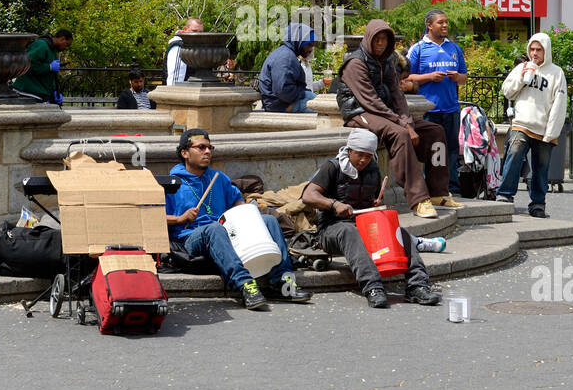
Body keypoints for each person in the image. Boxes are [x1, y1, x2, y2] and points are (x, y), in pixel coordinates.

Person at [165, 127, 312, 310]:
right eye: (201, 147)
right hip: (190, 239)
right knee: (214, 229)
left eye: (210, 147)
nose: (208, 152)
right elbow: (154, 217)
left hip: (224, 232)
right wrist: (180, 219)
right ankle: (245, 285)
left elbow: (237, 201)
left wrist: (245, 213)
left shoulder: (218, 178)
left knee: (269, 221)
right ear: (185, 153)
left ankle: (282, 282)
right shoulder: (172, 182)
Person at [301, 129, 441, 307]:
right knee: (348, 231)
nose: (363, 160)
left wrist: (376, 203)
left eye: (368, 156)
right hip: (332, 230)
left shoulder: (373, 169)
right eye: (359, 154)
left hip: (365, 225)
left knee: (401, 234)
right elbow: (308, 195)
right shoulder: (333, 167)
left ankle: (417, 285)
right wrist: (334, 204)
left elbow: (373, 199)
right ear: (349, 150)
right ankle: (373, 287)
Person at [337, 19, 456, 219]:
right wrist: (404, 126)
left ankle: (438, 192)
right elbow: (370, 101)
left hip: (385, 113)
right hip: (359, 112)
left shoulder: (388, 61)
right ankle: (418, 199)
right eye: (376, 39)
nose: (380, 43)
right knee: (400, 134)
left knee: (435, 131)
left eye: (384, 39)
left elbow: (397, 95)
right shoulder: (355, 63)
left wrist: (407, 121)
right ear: (368, 38)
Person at [496, 32, 567, 218]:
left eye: (539, 49)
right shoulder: (523, 67)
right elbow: (507, 92)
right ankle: (504, 195)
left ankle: (537, 203)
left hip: (543, 128)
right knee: (514, 155)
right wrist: (521, 78)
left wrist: (552, 132)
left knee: (541, 167)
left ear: (546, 51)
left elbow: (559, 104)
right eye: (532, 49)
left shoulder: (557, 73)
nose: (534, 53)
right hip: (521, 123)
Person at [407, 10, 468, 197]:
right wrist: (429, 77)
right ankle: (429, 188)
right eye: (440, 22)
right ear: (429, 25)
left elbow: (464, 77)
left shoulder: (454, 48)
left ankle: (451, 187)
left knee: (451, 150)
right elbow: (406, 77)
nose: (445, 25)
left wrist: (457, 77)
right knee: (430, 151)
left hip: (451, 109)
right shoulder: (418, 49)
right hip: (428, 110)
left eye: (446, 22)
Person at [257, 21, 317, 113]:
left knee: (321, 102)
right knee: (323, 110)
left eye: (312, 45)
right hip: (280, 105)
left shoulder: (287, 54)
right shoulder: (286, 58)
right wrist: (302, 93)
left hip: (280, 102)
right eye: (308, 44)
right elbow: (282, 91)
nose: (310, 49)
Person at [12, 29, 71, 104]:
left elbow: (49, 76)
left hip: (39, 93)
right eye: (67, 44)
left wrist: (54, 91)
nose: (66, 48)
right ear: (62, 39)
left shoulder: (52, 50)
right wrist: (49, 67)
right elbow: (28, 64)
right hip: (27, 92)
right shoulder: (42, 45)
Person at [164, 17, 203, 85]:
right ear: (185, 29)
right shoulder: (179, 47)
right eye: (194, 31)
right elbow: (174, 80)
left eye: (200, 32)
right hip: (177, 90)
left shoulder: (189, 46)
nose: (198, 35)